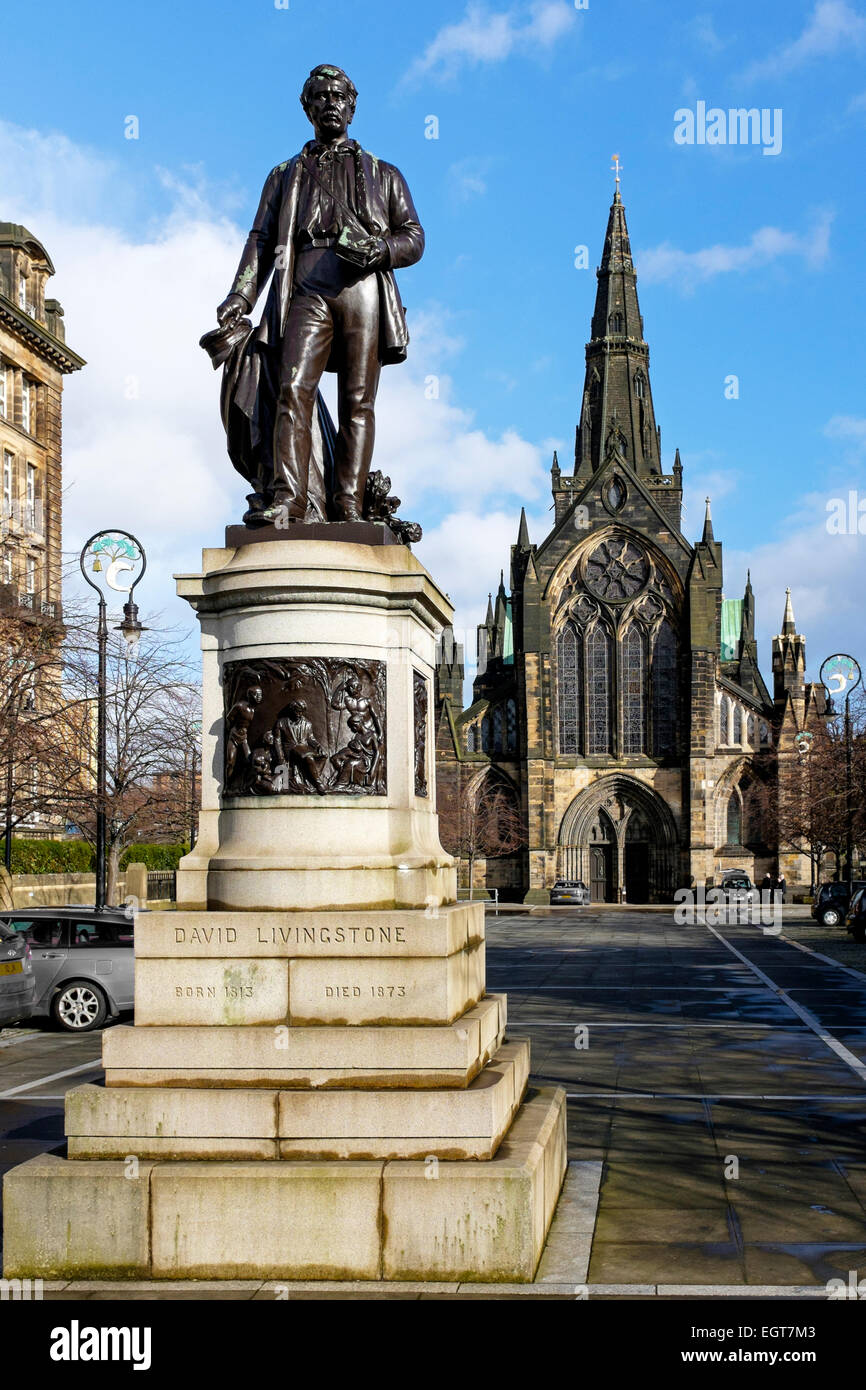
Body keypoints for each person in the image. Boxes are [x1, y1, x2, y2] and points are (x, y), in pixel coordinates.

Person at [215, 63, 424, 526]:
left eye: (338, 97)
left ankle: (348, 502)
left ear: (352, 107)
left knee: (358, 401)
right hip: (306, 284)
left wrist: (381, 248)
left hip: (363, 287)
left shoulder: (384, 173)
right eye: (321, 97)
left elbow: (414, 237)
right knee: (292, 388)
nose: (330, 103)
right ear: (308, 108)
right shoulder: (284, 174)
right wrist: (241, 296)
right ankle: (288, 499)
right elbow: (261, 240)